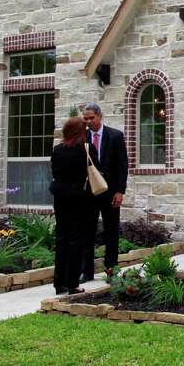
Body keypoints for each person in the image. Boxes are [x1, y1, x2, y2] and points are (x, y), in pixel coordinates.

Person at [49, 117, 99, 295]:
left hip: (61, 198)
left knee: (62, 238)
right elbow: (96, 169)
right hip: (79, 199)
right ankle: (72, 283)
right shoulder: (86, 150)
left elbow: (55, 173)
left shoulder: (57, 150)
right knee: (77, 240)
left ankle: (58, 282)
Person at [81, 103, 128, 279]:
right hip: (89, 194)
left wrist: (120, 191)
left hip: (110, 192)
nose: (88, 121)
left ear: (100, 116)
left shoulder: (115, 136)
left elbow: (123, 165)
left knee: (111, 231)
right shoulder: (82, 137)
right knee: (87, 231)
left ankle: (111, 269)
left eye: (91, 118)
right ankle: (87, 272)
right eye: (85, 118)